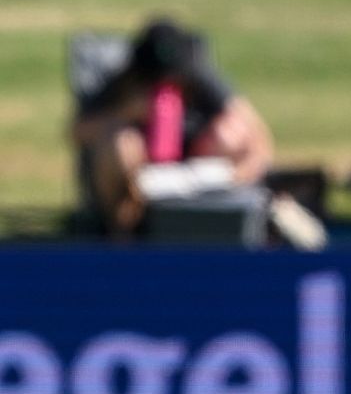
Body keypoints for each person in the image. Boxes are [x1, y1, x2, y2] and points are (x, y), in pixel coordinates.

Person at [72, 17, 275, 236]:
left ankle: (216, 228)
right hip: (138, 178)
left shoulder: (200, 78)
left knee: (228, 134)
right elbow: (77, 132)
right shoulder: (127, 81)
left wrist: (238, 174)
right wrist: (126, 113)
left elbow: (258, 136)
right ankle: (121, 235)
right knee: (119, 143)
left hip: (198, 170)